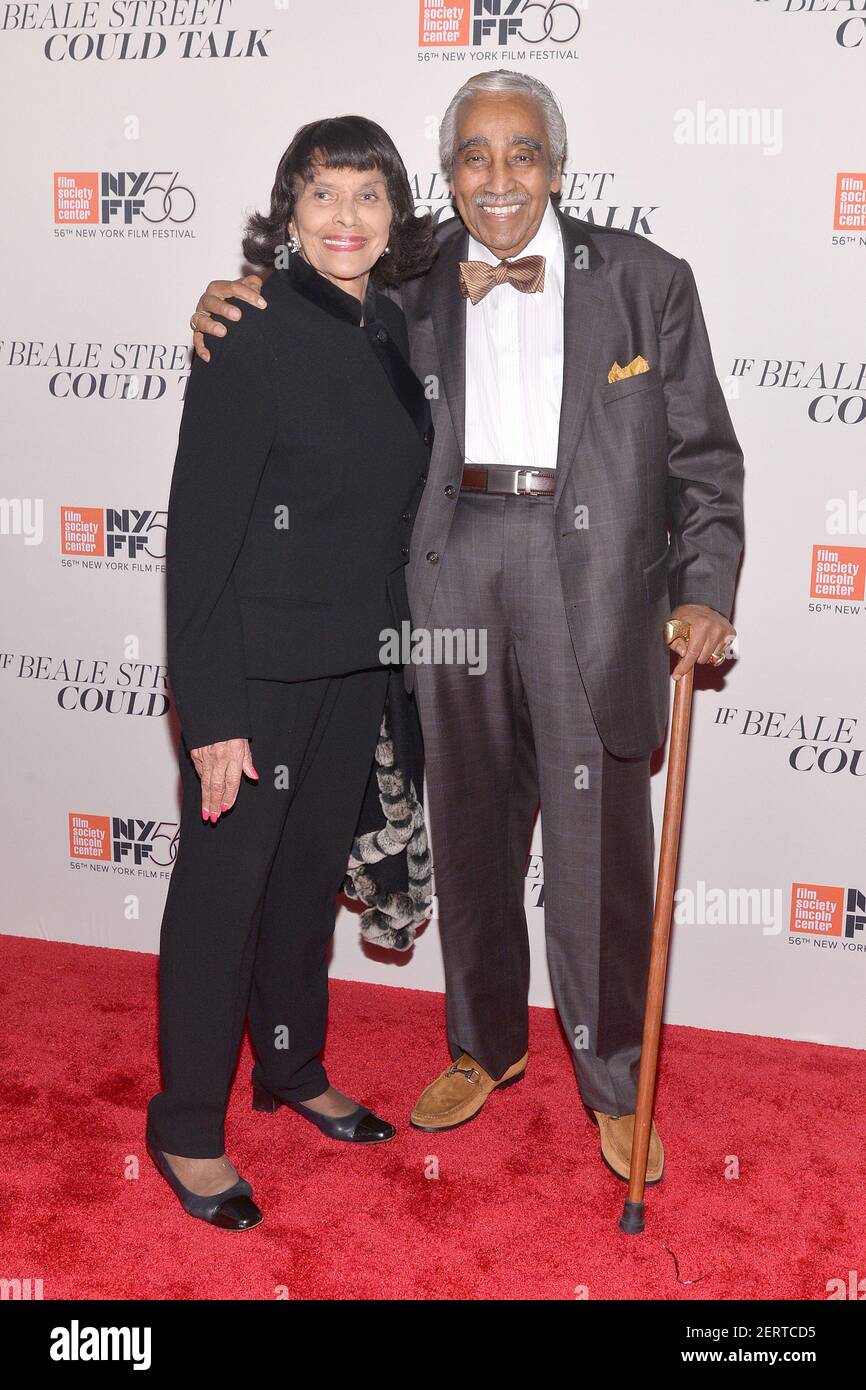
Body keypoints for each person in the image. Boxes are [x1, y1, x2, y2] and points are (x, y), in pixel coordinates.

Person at [188, 71, 744, 1187]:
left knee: (597, 855)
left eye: (520, 153)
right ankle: (483, 1047)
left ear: (555, 163)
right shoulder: (408, 274)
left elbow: (703, 460)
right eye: (472, 158)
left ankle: (613, 1078)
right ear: (444, 177)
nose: (498, 179)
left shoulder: (645, 281)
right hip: (448, 574)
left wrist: (705, 589)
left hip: (590, 577)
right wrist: (224, 299)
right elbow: (313, 301)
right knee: (473, 830)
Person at [146, 115, 435, 1230]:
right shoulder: (252, 327)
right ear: (288, 211)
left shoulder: (394, 325)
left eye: (368, 195)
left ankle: (289, 1065)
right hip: (255, 680)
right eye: (322, 195)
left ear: (394, 214)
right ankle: (183, 1127)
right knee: (221, 901)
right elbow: (200, 536)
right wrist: (211, 711)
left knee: (308, 885)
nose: (346, 217)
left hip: (354, 666)